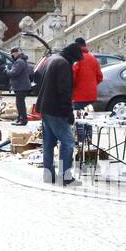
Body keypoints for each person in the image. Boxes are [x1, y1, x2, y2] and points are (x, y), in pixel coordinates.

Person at [35, 42, 82, 185]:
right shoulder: (63, 64)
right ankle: (65, 176)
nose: (75, 63)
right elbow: (64, 91)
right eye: (76, 60)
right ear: (73, 57)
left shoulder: (52, 59)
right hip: (56, 110)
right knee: (68, 142)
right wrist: (69, 112)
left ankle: (48, 175)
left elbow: (37, 77)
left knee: (49, 143)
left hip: (45, 107)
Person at [71, 37, 104, 114]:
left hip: (79, 96)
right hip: (92, 95)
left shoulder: (76, 58)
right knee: (90, 118)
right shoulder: (93, 58)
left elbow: (73, 76)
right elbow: (100, 77)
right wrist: (91, 85)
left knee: (79, 119)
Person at [6, 47, 32, 124]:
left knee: (20, 104)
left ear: (16, 53)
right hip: (22, 85)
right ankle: (20, 118)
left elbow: (13, 73)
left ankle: (23, 120)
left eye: (12, 53)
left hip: (21, 86)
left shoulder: (19, 61)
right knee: (19, 103)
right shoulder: (21, 60)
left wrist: (7, 70)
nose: (12, 55)